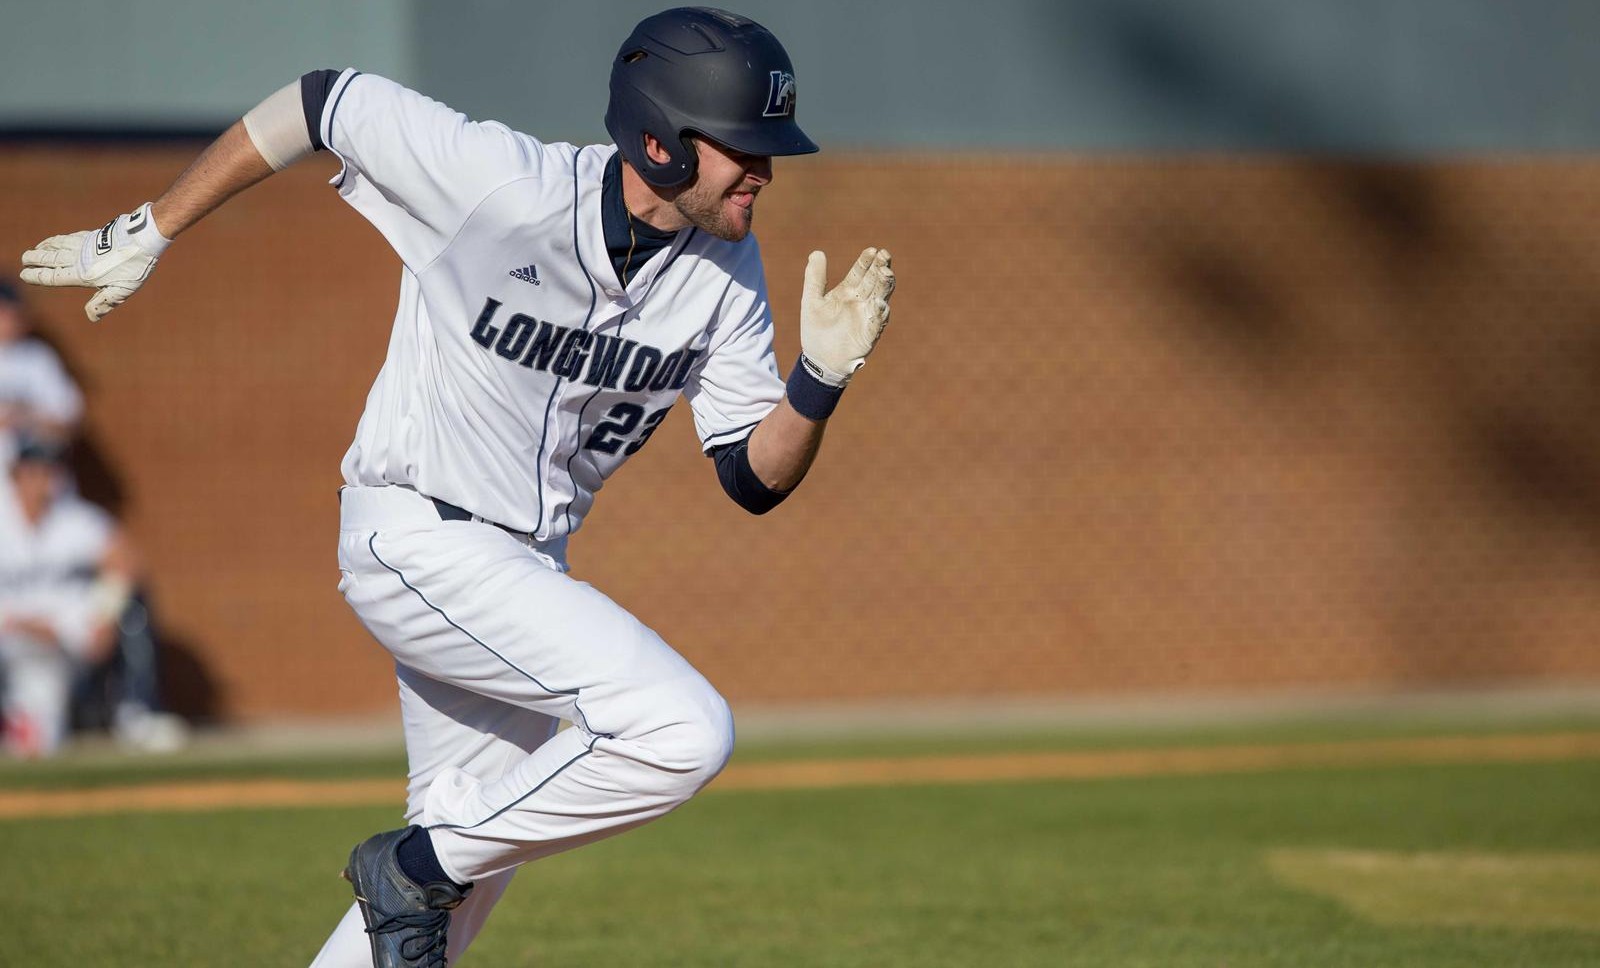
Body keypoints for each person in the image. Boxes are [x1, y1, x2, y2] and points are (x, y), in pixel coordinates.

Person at [20, 7, 895, 967]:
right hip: (416, 535)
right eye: (744, 148)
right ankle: (412, 866)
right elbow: (323, 102)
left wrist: (820, 380)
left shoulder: (728, 273)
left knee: (446, 899)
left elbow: (751, 478)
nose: (766, 170)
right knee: (682, 730)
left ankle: (419, 876)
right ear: (659, 139)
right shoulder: (500, 181)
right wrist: (150, 225)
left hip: (519, 574)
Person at [0, 434, 137, 758]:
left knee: (40, 741)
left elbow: (124, 563)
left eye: (50, 471)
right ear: (16, 473)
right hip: (8, 630)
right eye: (34, 471)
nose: (43, 480)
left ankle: (131, 712)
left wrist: (105, 615)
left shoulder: (76, 519)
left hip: (61, 638)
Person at [0, 278, 84, 462]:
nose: (8, 319)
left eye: (12, 312)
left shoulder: (38, 358)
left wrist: (25, 419)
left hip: (38, 477)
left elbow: (69, 421)